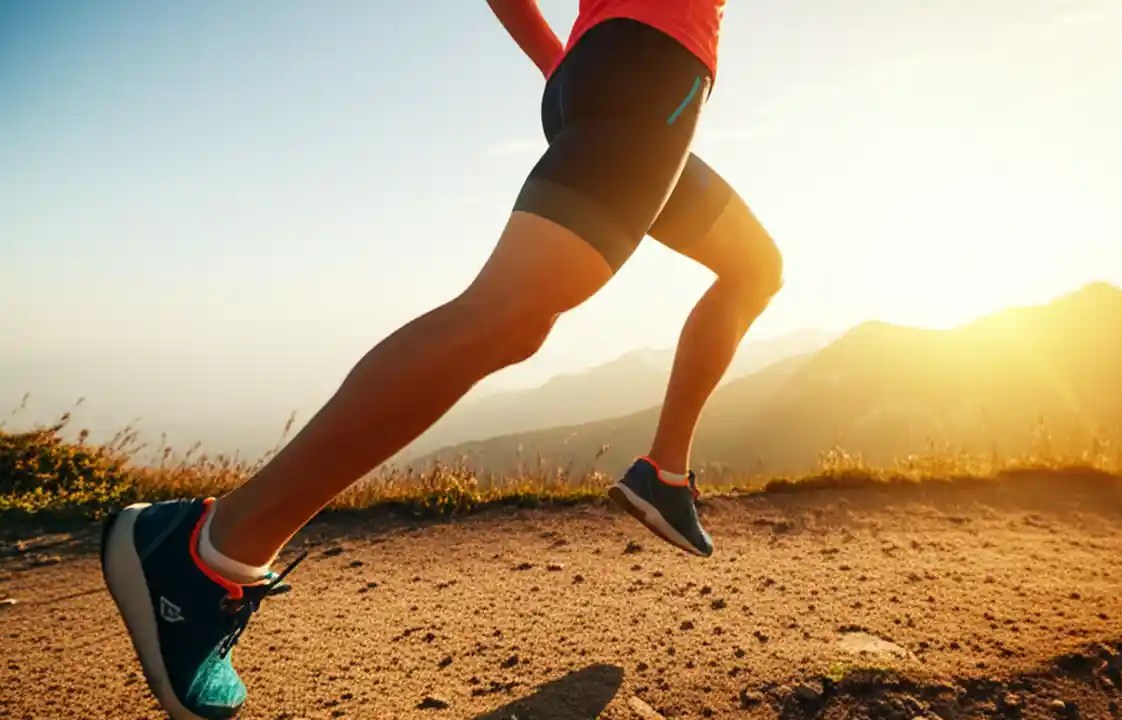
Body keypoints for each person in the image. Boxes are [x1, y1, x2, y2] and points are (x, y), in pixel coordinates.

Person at [100, 1, 782, 717]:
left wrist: (562, 64)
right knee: (507, 312)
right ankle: (207, 552)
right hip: (652, 67)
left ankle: (663, 474)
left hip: (613, 75)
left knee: (750, 267)